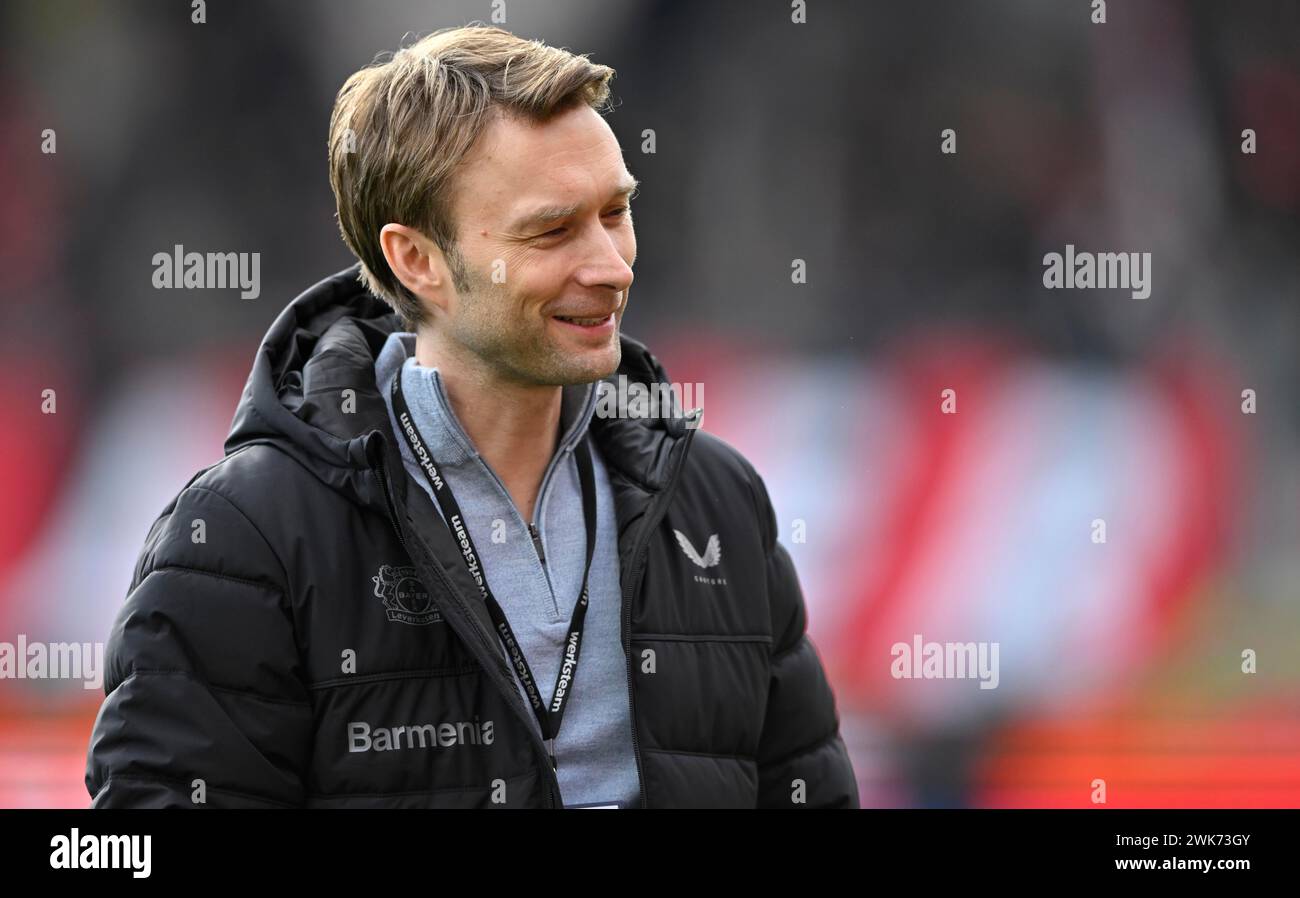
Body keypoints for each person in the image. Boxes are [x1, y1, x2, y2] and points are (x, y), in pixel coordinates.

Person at [85, 24, 858, 808]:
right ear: (416, 260)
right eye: (552, 230)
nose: (611, 264)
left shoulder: (718, 499)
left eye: (616, 212)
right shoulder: (248, 533)